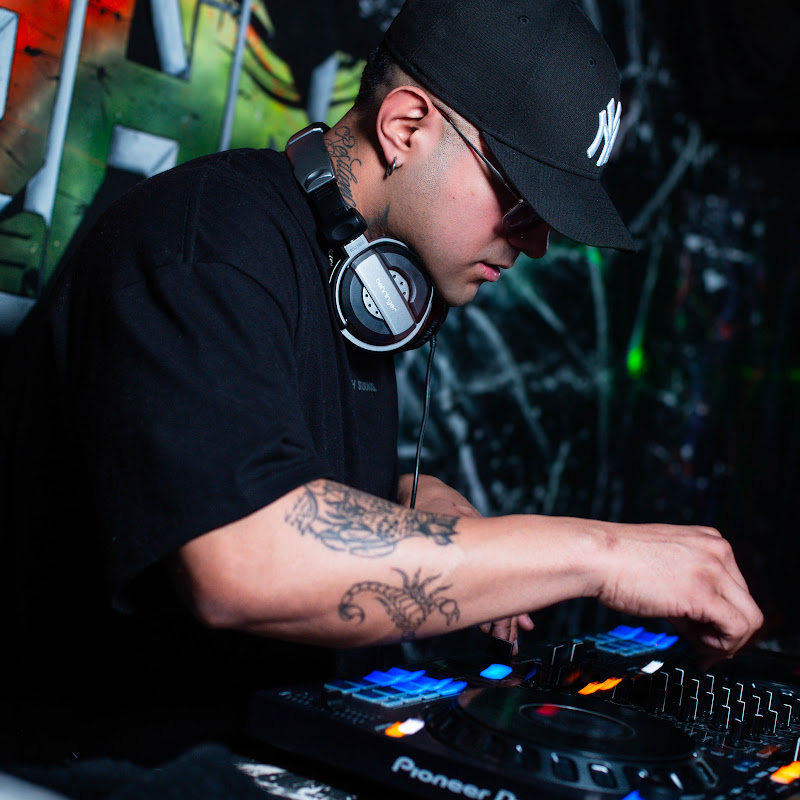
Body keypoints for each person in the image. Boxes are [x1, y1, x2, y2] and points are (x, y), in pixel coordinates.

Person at [0, 0, 762, 766]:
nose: (534, 242)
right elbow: (241, 562)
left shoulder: (365, 284)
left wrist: (403, 495)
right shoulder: (205, 241)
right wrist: (603, 554)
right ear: (405, 126)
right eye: (522, 199)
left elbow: (230, 453)